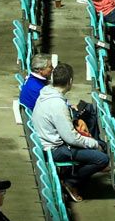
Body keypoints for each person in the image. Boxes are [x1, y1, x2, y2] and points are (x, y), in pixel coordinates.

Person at [30, 63, 108, 202]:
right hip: (55, 149)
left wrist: (76, 121)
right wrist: (94, 144)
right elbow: (71, 139)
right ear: (70, 81)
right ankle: (71, 182)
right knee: (102, 158)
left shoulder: (47, 92)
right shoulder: (57, 105)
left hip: (49, 141)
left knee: (97, 142)